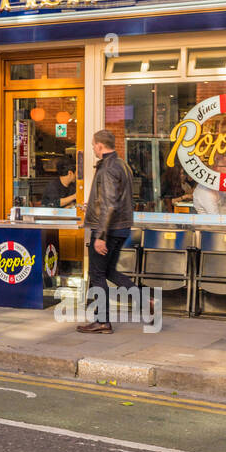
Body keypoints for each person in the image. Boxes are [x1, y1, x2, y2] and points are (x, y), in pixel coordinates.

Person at [78, 130, 137, 334]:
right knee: (109, 271)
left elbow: (110, 204)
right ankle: (146, 300)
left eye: (93, 145)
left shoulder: (108, 169)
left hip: (108, 230)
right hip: (121, 228)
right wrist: (93, 206)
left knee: (96, 274)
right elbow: (115, 200)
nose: (93, 148)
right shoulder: (122, 164)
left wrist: (100, 236)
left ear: (100, 146)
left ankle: (102, 321)